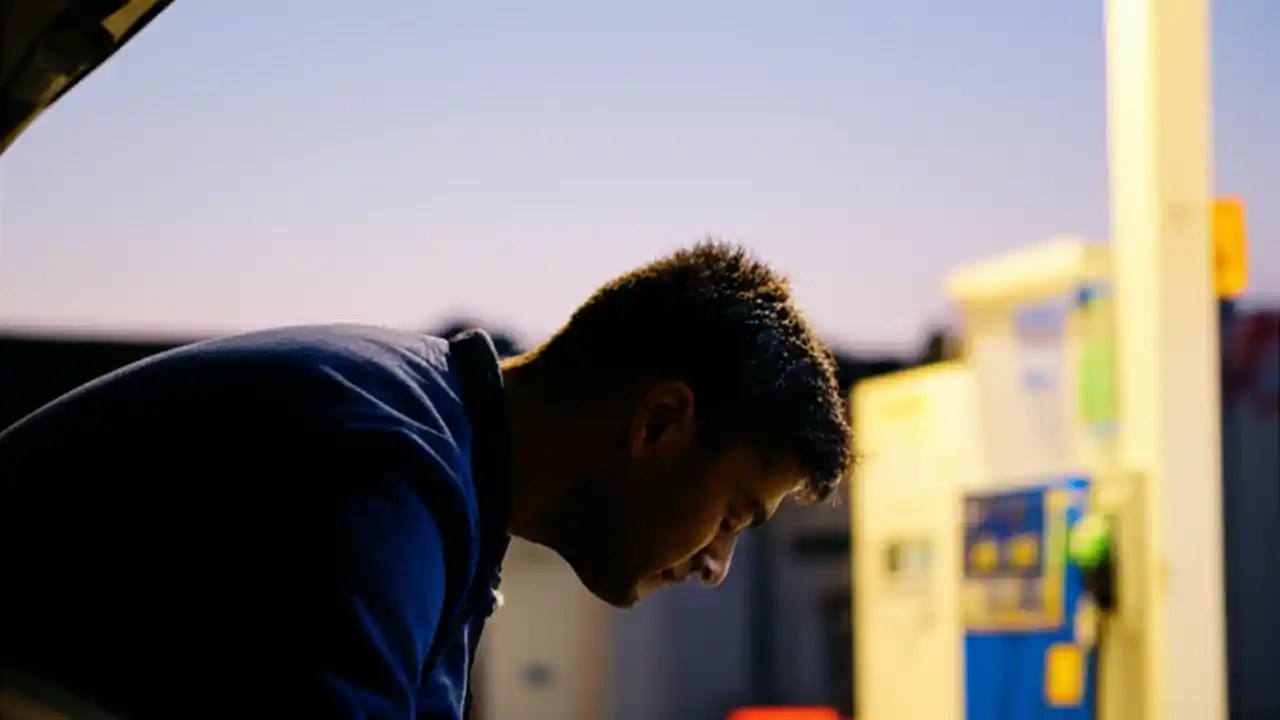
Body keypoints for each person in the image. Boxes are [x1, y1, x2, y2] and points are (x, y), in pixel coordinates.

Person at [0, 242, 852, 719]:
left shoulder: (445, 456)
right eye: (733, 515)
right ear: (658, 422)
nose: (717, 564)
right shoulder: (386, 466)